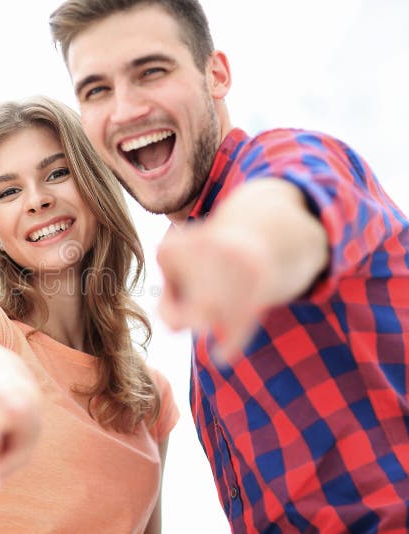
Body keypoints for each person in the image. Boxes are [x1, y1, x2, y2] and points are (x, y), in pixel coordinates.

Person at [50, 0, 409, 531]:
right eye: (97, 90)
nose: (124, 109)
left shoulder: (285, 160)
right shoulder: (203, 287)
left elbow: (292, 206)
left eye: (151, 71)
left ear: (215, 74)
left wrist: (245, 249)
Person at [0, 96, 178, 533]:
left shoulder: (150, 397)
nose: (37, 200)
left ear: (94, 183)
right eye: (8, 191)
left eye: (58, 174)